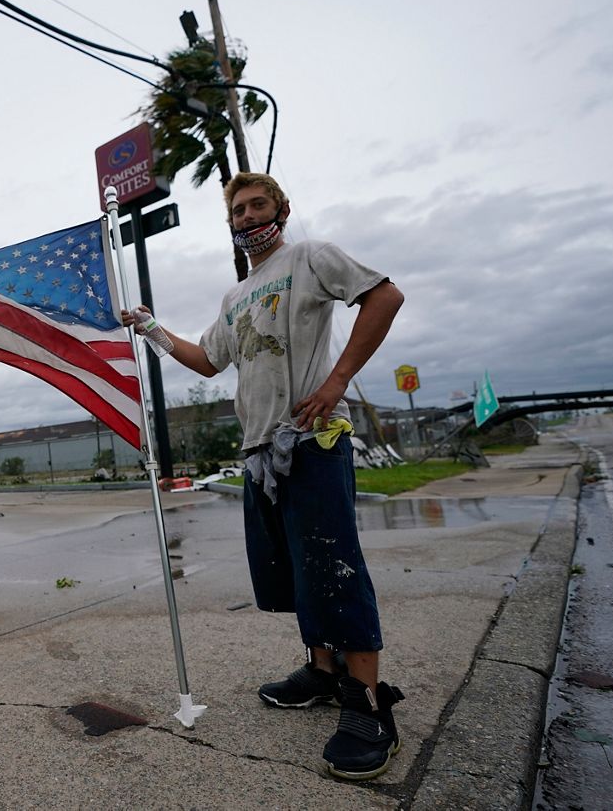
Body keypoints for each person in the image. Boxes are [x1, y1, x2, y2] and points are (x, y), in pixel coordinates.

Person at [122, 172, 405, 780]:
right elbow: (206, 360)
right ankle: (322, 673)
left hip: (312, 440)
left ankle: (368, 706)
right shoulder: (236, 296)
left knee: (334, 566)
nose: (248, 217)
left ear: (281, 209)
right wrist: (150, 329)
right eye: (238, 210)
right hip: (260, 453)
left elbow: (385, 297)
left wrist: (336, 383)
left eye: (258, 206)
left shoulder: (310, 257)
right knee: (296, 571)